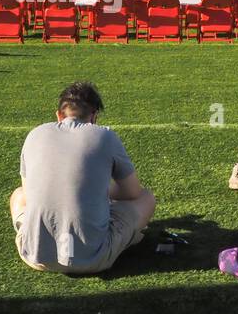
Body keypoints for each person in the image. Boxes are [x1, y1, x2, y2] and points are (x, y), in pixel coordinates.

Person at [9, 82, 155, 276]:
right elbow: (133, 192)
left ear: (59, 115)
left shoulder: (35, 134)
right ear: (94, 116)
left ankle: (35, 236)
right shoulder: (105, 136)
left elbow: (28, 195)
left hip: (35, 255)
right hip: (92, 258)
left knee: (17, 196)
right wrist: (98, 191)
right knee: (147, 198)